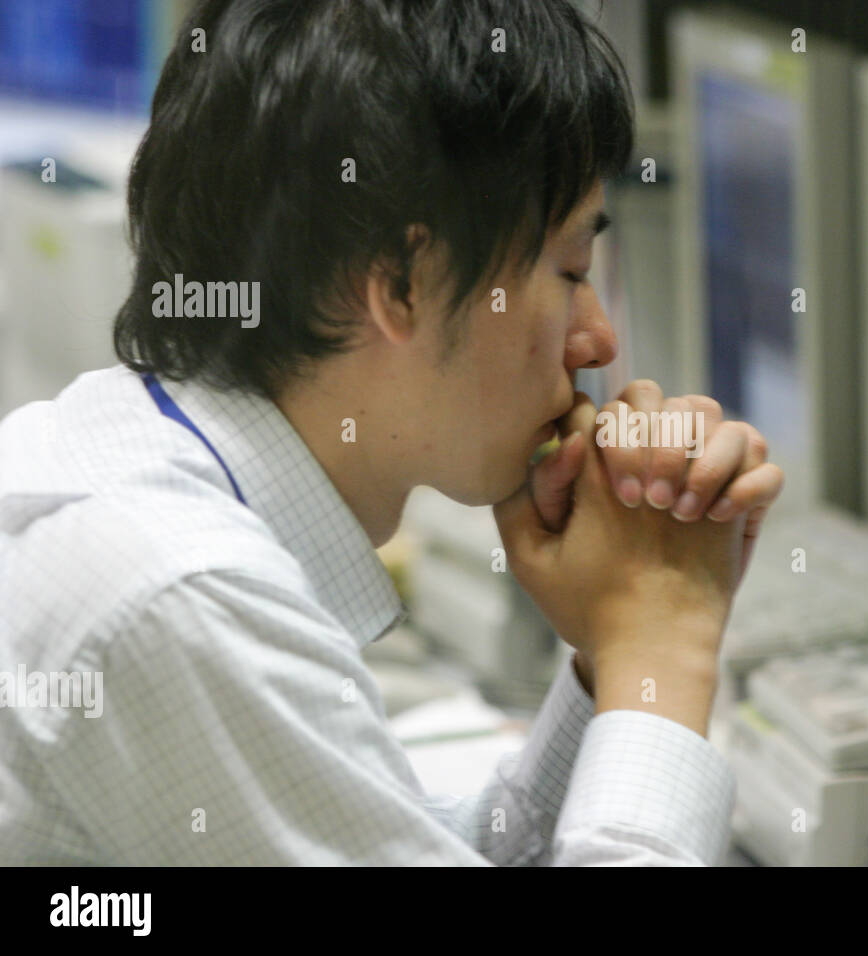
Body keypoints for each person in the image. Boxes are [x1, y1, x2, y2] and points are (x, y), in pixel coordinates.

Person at [0, 0, 782, 865]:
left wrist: (613, 653)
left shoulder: (133, 464)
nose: (598, 340)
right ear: (401, 284)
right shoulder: (179, 591)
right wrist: (664, 641)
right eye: (569, 271)